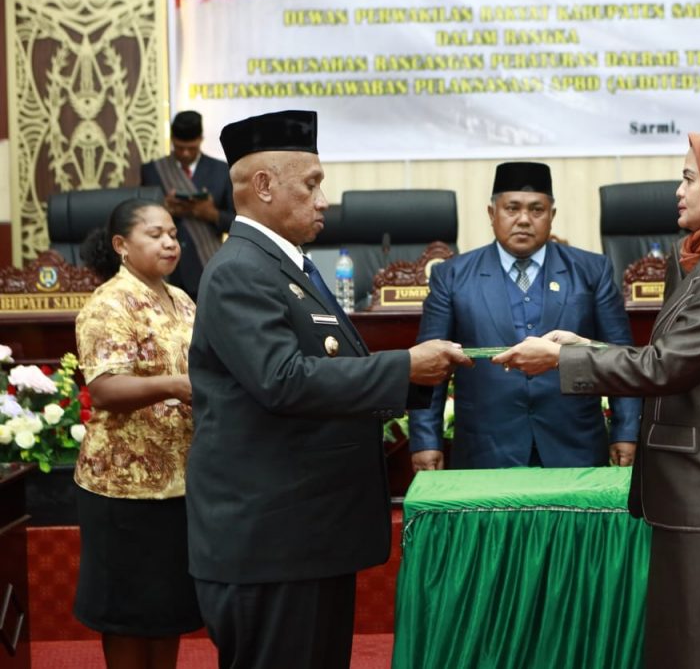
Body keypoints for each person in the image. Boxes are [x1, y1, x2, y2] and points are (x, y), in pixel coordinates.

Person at [494, 126, 700, 668]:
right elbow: (675, 357)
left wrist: (561, 360)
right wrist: (586, 344)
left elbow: (665, 367)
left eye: (691, 178)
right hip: (692, 499)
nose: (679, 190)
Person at [185, 109, 470, 669]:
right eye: (312, 183)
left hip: (305, 537)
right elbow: (283, 380)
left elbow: (330, 370)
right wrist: (405, 367)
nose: (324, 200)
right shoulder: (241, 269)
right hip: (272, 544)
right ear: (264, 186)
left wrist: (412, 378)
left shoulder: (285, 266)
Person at [408, 161, 641, 470]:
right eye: (512, 208)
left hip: (574, 446)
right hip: (486, 449)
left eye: (536, 210)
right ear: (492, 214)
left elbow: (618, 353)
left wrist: (626, 431)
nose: (523, 220)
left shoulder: (591, 271)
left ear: (552, 215)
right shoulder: (451, 276)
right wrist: (426, 439)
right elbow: (430, 366)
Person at [73, 198, 201, 669]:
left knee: (165, 611)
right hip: (123, 487)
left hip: (179, 480)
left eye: (173, 233)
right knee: (127, 613)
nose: (169, 242)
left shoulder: (182, 299)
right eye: (155, 234)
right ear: (122, 245)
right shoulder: (108, 304)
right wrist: (174, 386)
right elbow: (105, 388)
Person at [141, 110, 234, 300]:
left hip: (205, 267)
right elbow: (141, 222)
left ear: (200, 139)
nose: (184, 153)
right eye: (179, 147)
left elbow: (237, 222)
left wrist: (211, 214)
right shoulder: (152, 170)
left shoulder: (222, 170)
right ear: (172, 139)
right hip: (165, 269)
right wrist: (164, 208)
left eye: (191, 148)